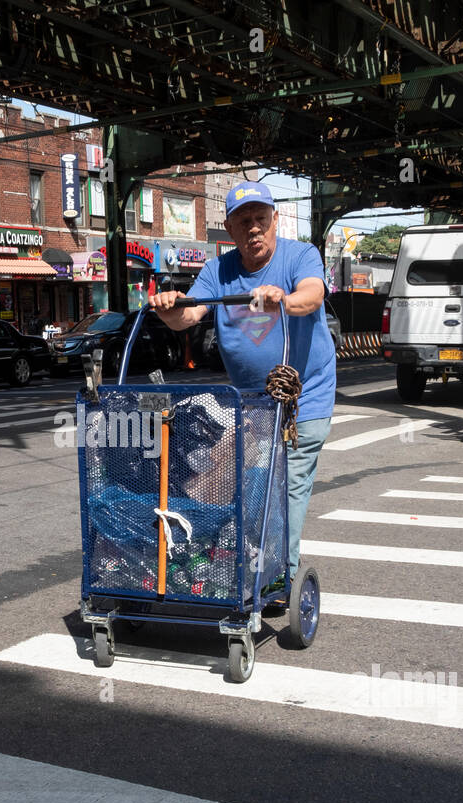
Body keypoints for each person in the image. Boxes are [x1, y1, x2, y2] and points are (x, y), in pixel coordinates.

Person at [150, 180, 336, 606]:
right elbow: (190, 315)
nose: (254, 229)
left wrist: (282, 299)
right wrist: (169, 306)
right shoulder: (219, 270)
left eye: (260, 220)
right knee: (218, 482)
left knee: (285, 489)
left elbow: (313, 295)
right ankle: (222, 564)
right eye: (243, 222)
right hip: (249, 403)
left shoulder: (299, 255)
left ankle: (278, 581)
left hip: (300, 402)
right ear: (230, 230)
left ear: (274, 221)